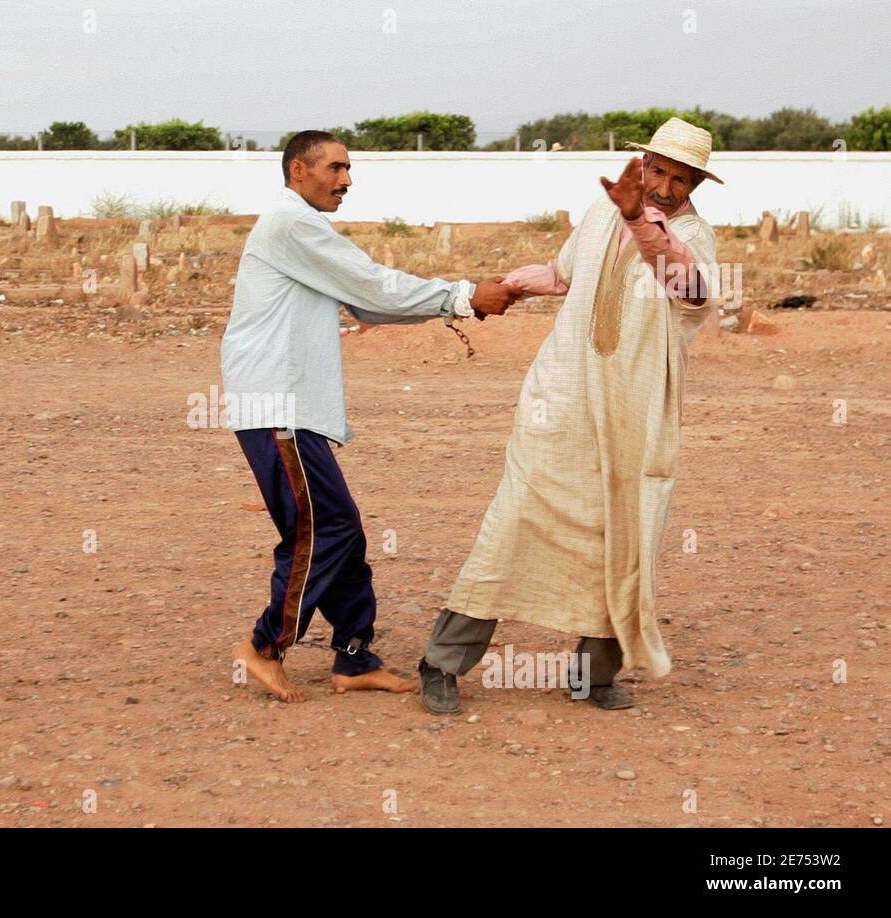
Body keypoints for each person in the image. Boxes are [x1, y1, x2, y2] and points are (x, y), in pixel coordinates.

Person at [419, 117, 723, 714]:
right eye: (657, 170)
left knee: (624, 536)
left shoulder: (693, 236)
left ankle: (594, 676)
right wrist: (503, 287)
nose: (663, 185)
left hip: (636, 409)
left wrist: (640, 218)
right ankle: (441, 662)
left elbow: (684, 283)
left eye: (678, 178)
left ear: (695, 185)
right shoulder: (603, 209)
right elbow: (563, 274)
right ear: (644, 165)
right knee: (514, 520)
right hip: (560, 397)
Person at [222, 130, 515, 703]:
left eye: (349, 169)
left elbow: (367, 304)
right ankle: (264, 646)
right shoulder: (291, 223)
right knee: (322, 530)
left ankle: (354, 658)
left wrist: (459, 301)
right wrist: (461, 294)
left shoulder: (301, 228)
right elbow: (370, 283)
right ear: (297, 171)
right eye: (335, 168)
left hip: (290, 404)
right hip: (276, 403)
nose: (347, 180)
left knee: (343, 532)